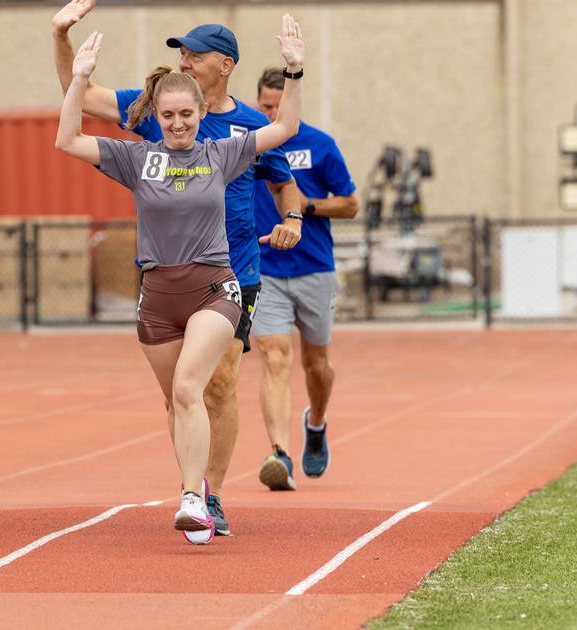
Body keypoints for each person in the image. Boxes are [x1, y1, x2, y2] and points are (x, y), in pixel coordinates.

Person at [52, 0, 305, 536]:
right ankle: (193, 485)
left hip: (231, 270)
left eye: (195, 53)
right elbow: (75, 118)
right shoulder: (146, 124)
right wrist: (65, 47)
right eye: (181, 54)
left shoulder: (234, 138)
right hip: (162, 280)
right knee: (179, 395)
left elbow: (285, 152)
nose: (185, 61)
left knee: (215, 384)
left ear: (225, 64)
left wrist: (294, 216)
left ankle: (205, 495)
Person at [251, 67, 359, 490]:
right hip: (265, 267)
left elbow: (351, 204)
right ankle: (279, 453)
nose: (270, 113)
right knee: (275, 357)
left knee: (317, 366)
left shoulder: (320, 145)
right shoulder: (248, 143)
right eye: (264, 106)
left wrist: (304, 207)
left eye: (277, 107)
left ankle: (315, 424)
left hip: (314, 266)